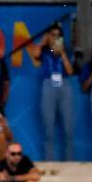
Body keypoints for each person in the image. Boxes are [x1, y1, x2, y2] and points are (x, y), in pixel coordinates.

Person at [26, 25, 77, 161]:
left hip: (64, 85)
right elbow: (35, 54)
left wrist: (62, 53)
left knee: (68, 128)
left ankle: (69, 161)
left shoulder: (67, 50)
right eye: (52, 35)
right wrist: (43, 42)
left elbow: (70, 71)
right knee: (48, 126)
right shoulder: (43, 50)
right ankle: (49, 161)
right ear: (48, 37)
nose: (55, 38)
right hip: (48, 85)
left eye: (57, 35)